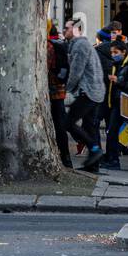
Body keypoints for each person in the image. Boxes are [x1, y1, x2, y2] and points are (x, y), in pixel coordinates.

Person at [63, 13, 106, 172]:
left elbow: (76, 71)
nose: (64, 30)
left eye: (67, 28)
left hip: (88, 92)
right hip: (95, 91)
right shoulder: (84, 44)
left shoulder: (80, 45)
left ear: (75, 29)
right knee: (90, 127)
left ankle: (94, 149)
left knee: (68, 122)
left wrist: (67, 89)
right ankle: (93, 165)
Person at [100, 36, 128, 170]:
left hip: (124, 103)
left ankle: (113, 160)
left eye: (116, 53)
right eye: (112, 53)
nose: (113, 55)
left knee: (116, 131)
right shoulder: (117, 64)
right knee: (112, 131)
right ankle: (111, 157)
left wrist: (117, 80)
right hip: (115, 102)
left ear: (123, 52)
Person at [47, 23, 72, 168]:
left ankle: (65, 157)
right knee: (60, 124)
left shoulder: (49, 46)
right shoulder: (59, 44)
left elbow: (46, 67)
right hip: (60, 90)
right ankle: (66, 157)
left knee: (59, 124)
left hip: (52, 91)